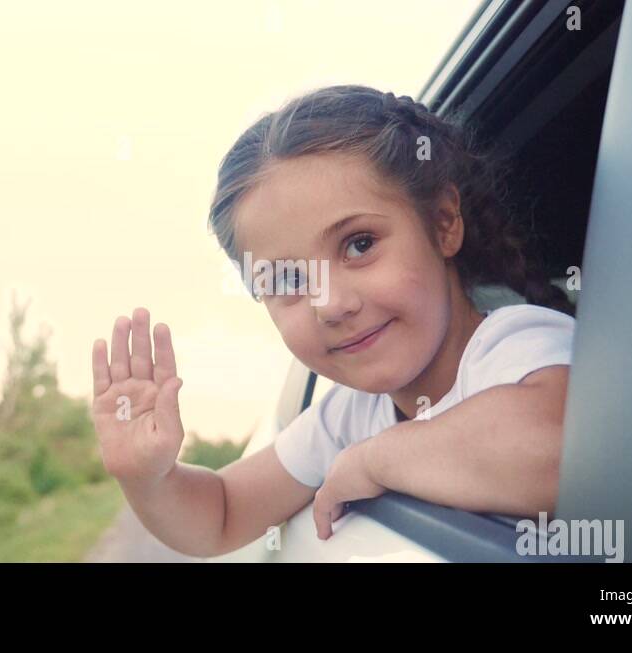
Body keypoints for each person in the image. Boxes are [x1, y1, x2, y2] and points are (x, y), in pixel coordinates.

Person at [91, 85, 574, 556]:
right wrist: (149, 478)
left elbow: (563, 452)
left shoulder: (518, 343)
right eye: (287, 281)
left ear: (444, 223)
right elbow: (220, 514)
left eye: (359, 244)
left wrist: (374, 459)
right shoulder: (347, 416)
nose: (329, 304)